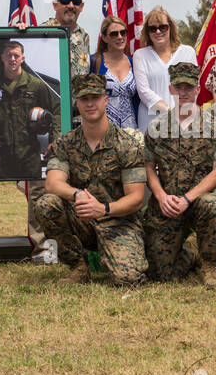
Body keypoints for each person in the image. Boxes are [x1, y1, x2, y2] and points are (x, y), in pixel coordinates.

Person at [36, 73, 148, 286]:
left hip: (118, 221)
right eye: (84, 99)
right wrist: (77, 195)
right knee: (46, 204)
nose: (90, 104)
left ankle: (121, 254)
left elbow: (136, 199)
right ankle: (78, 266)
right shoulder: (66, 143)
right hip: (83, 218)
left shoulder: (127, 144)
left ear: (105, 100)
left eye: (95, 97)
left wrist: (103, 209)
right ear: (76, 103)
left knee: (129, 280)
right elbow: (52, 183)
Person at [143, 62, 216, 287]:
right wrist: (161, 197)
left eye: (188, 87)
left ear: (198, 90)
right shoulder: (156, 127)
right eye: (178, 87)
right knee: (161, 274)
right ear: (171, 89)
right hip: (167, 204)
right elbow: (149, 167)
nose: (183, 93)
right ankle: (191, 252)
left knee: (212, 204)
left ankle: (209, 265)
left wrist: (188, 198)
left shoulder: (215, 127)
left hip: (198, 201)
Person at [0, 40, 60, 180]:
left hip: (28, 157)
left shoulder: (36, 85)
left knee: (32, 196)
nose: (12, 59)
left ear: (23, 58)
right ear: (2, 57)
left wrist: (55, 139)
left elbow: (58, 109)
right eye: (8, 55)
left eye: (16, 56)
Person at [131, 6, 197, 132]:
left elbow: (193, 87)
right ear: (147, 32)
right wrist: (170, 110)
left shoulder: (188, 52)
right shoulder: (140, 55)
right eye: (153, 28)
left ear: (170, 28)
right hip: (151, 124)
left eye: (162, 27)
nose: (158, 32)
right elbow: (143, 91)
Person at [16, 0, 90, 79]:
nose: (71, 6)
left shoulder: (84, 35)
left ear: (81, 6)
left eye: (76, 2)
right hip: (50, 93)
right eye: (65, 1)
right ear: (55, 5)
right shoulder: (40, 32)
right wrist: (20, 33)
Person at [90, 15, 138, 130]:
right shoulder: (93, 62)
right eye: (114, 34)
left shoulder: (134, 63)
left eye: (123, 32)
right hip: (103, 132)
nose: (120, 37)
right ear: (105, 38)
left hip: (131, 133)